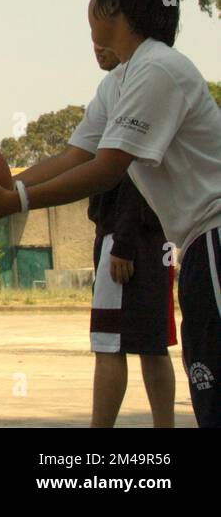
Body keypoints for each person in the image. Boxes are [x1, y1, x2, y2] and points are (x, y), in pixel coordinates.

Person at [0, 0, 221, 428]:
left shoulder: (157, 68)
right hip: (197, 246)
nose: (86, 12)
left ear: (110, 7)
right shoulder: (122, 80)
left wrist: (14, 202)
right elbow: (74, 156)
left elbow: (108, 168)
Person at [88, 46, 176, 428]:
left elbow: (134, 173)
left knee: (109, 346)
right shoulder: (129, 83)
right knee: (152, 346)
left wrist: (121, 241)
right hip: (153, 239)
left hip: (128, 239)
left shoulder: (136, 86)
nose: (96, 42)